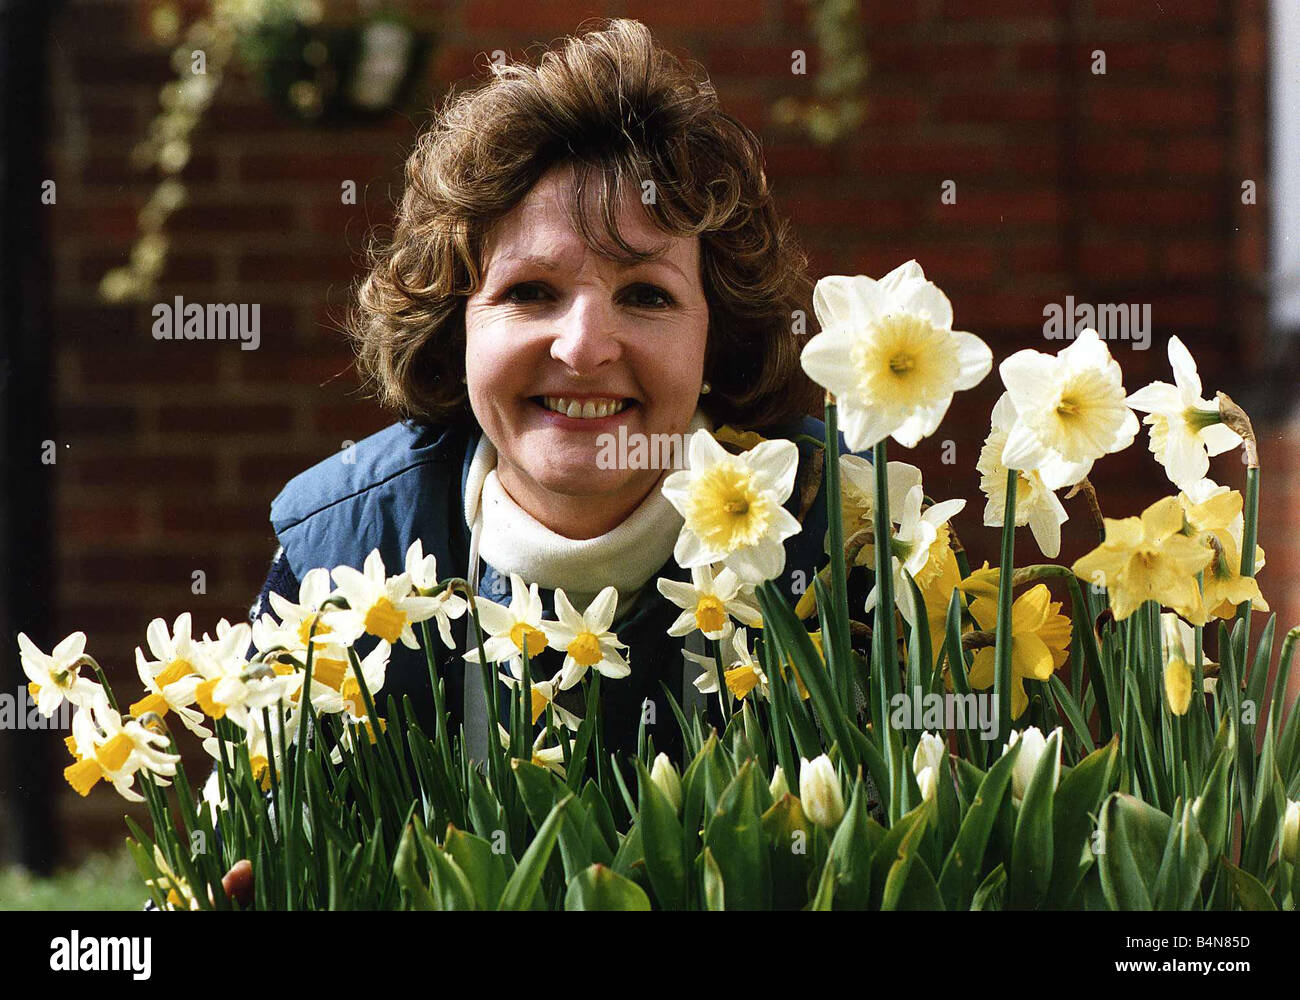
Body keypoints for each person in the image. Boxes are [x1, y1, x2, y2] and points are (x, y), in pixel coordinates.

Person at [251, 18, 864, 768]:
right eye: (531, 291)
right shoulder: (339, 550)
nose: (582, 348)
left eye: (646, 296)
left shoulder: (840, 531)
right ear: (456, 326)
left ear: (719, 335)